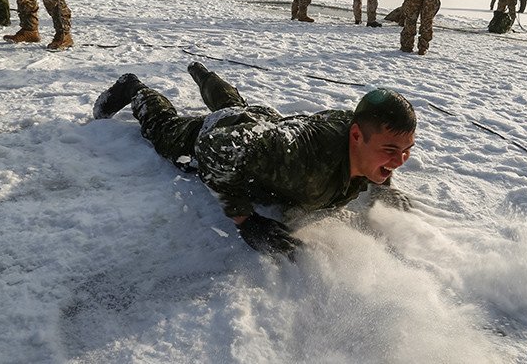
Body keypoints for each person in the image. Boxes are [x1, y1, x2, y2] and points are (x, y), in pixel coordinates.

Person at [92, 62, 417, 256]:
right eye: (390, 151)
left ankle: (206, 77)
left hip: (264, 123)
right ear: (357, 136)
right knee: (164, 132)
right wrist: (246, 220)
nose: (399, 160)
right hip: (218, 135)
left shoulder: (361, 135)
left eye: (406, 151)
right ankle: (134, 87)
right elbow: (217, 149)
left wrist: (384, 181)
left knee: (240, 110)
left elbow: (376, 135)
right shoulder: (301, 158)